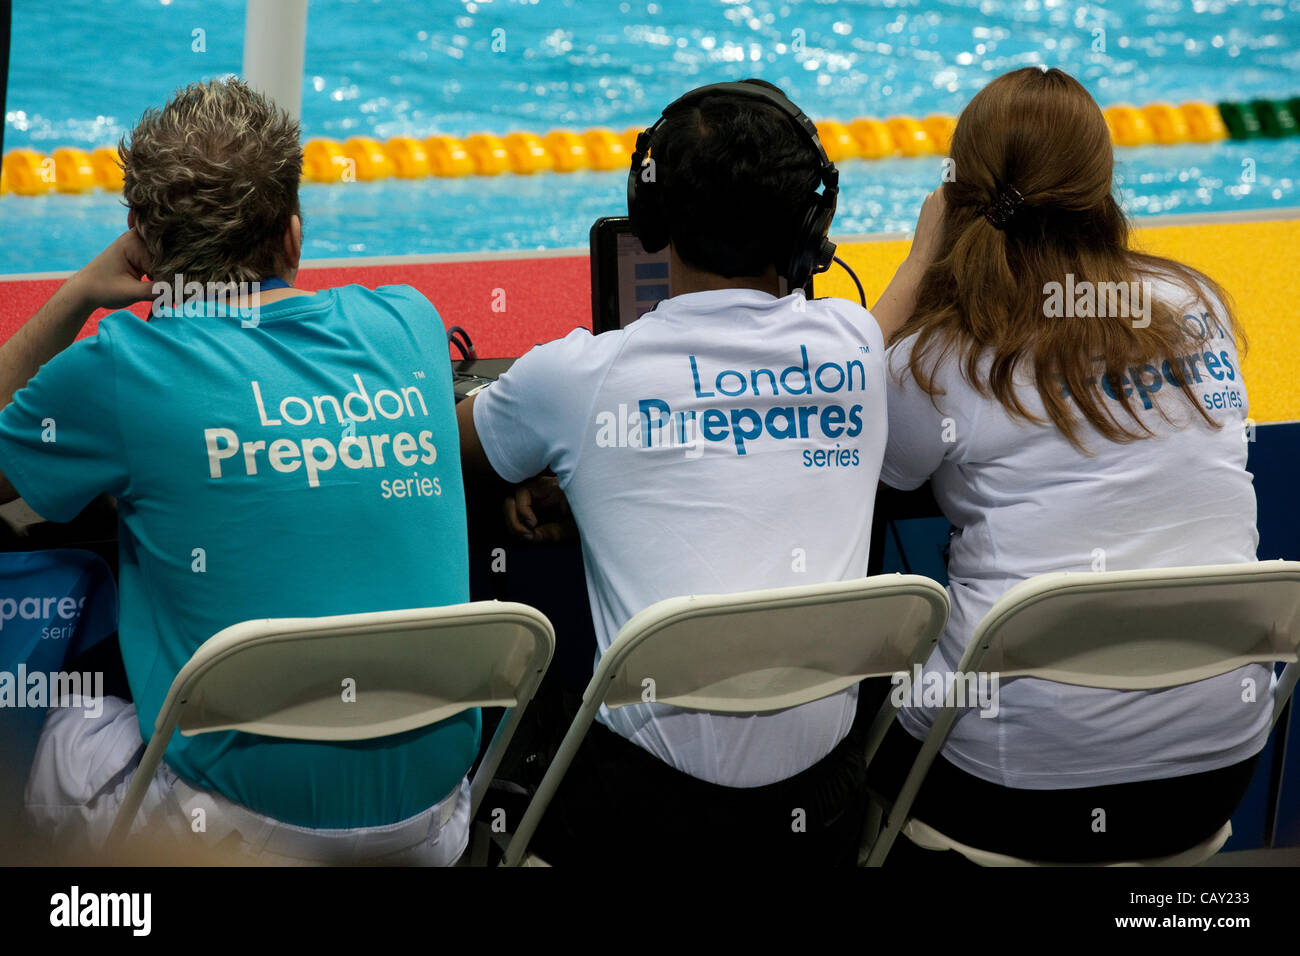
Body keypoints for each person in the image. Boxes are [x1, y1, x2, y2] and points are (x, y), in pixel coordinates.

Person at [0, 79, 475, 864]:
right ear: (292, 237)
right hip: (431, 816)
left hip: (236, 834)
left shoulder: (121, 368)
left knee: (49, 721)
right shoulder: (409, 325)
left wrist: (81, 292)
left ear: (144, 249)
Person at [459, 79, 929, 866]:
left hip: (645, 825)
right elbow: (891, 314)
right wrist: (924, 250)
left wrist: (570, 475)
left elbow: (445, 445)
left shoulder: (576, 379)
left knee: (540, 736)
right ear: (812, 230)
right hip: (820, 818)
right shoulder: (853, 347)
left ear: (651, 218)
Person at [868, 66, 1269, 863]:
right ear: (1104, 186)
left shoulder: (938, 358)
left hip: (1014, 790)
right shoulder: (1196, 308)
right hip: (1214, 769)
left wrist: (919, 266)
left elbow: (855, 446)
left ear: (960, 199)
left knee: (836, 723)